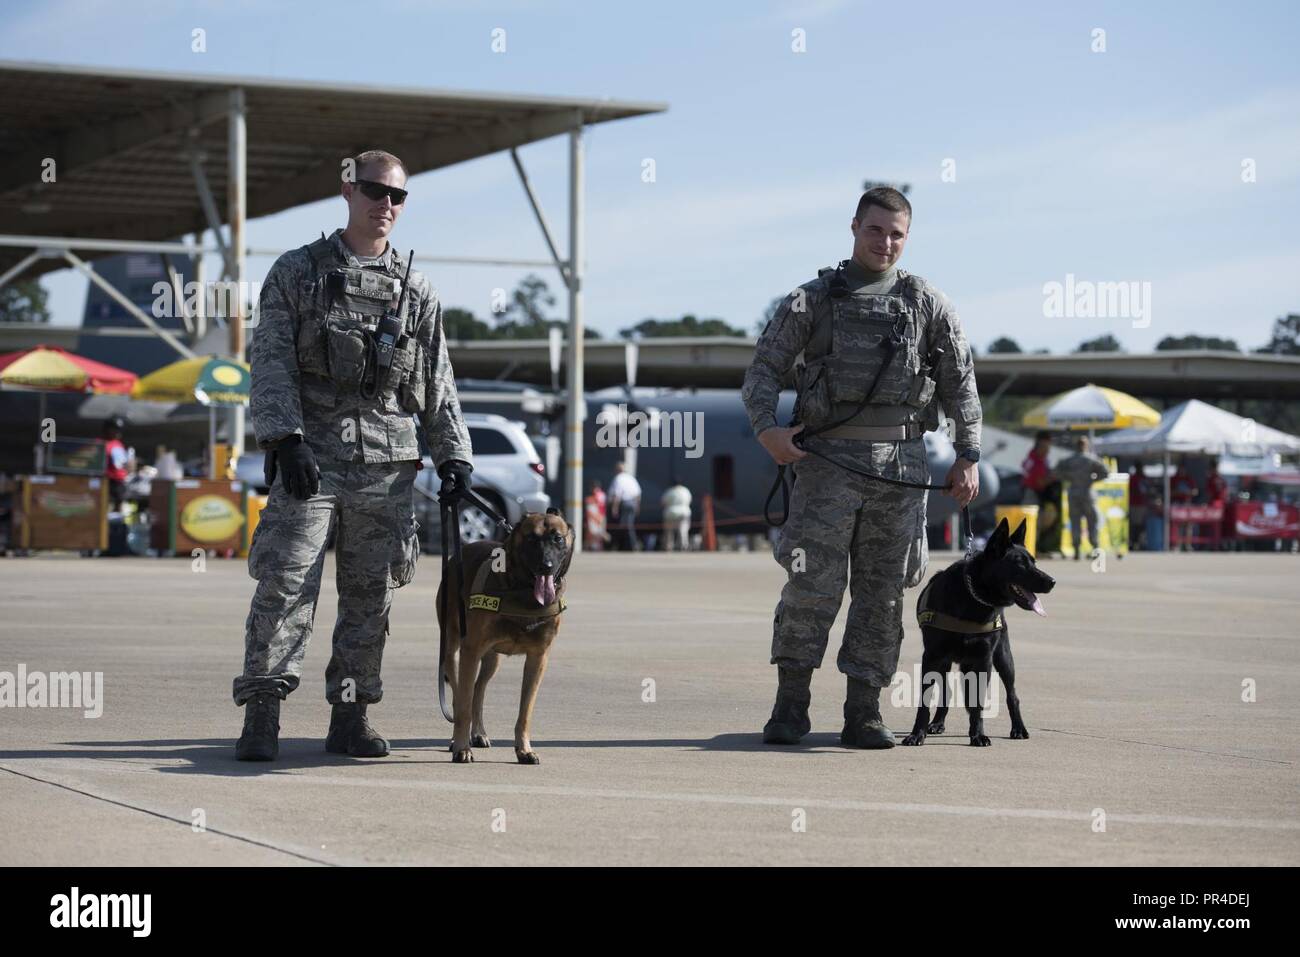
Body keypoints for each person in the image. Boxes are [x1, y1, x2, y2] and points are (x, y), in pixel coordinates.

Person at [233, 149, 473, 761]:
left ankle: (351, 714)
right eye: (373, 190)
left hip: (386, 467)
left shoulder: (416, 289)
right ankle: (263, 712)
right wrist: (284, 439)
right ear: (347, 189)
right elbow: (271, 360)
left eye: (396, 196)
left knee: (371, 594)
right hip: (309, 460)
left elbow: (437, 381)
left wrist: (453, 458)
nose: (385, 204)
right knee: (286, 584)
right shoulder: (299, 272)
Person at [742, 186, 981, 750]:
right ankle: (790, 706)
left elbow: (960, 384)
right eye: (876, 230)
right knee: (811, 586)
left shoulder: (928, 303)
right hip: (825, 464)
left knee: (884, 594)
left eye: (897, 234)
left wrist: (969, 453)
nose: (886, 243)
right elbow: (762, 372)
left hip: (900, 468)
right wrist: (767, 432)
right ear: (854, 227)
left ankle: (863, 711)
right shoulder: (812, 300)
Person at [1053, 435, 1109, 559]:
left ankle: (1077, 549)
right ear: (1086, 445)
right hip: (1087, 492)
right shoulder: (1092, 459)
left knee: (1075, 521)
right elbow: (1105, 472)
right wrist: (1093, 479)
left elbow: (1055, 472)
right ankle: (1094, 547)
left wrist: (1068, 477)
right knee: (1091, 521)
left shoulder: (1069, 460)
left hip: (1074, 493)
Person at [608, 462, 642, 552]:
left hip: (624, 504)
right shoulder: (631, 478)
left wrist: (614, 508)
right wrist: (637, 506)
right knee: (627, 525)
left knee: (626, 526)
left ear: (617, 470)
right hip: (632, 503)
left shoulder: (618, 478)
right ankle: (627, 545)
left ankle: (631, 545)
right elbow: (638, 493)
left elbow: (617, 495)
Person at [102, 417, 129, 512]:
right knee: (106, 507)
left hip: (120, 483)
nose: (117, 432)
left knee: (119, 508)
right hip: (108, 482)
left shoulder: (118, 444)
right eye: (115, 429)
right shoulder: (101, 444)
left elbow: (122, 462)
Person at [660, 477, 692, 551]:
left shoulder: (669, 491)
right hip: (683, 512)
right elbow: (689, 501)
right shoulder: (685, 490)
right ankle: (684, 546)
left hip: (670, 512)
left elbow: (663, 502)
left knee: (669, 532)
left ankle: (668, 547)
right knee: (683, 530)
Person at [1128, 461, 1149, 550]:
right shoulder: (1133, 478)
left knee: (1141, 525)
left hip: (1142, 504)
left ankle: (1139, 543)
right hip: (1135, 504)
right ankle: (1134, 543)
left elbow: (1147, 489)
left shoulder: (1143, 478)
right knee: (1135, 525)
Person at [584, 478, 608, 551]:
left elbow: (593, 502)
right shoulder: (603, 494)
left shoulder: (597, 495)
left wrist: (588, 500)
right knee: (596, 535)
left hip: (597, 517)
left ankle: (605, 538)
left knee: (595, 534)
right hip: (601, 516)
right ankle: (597, 547)